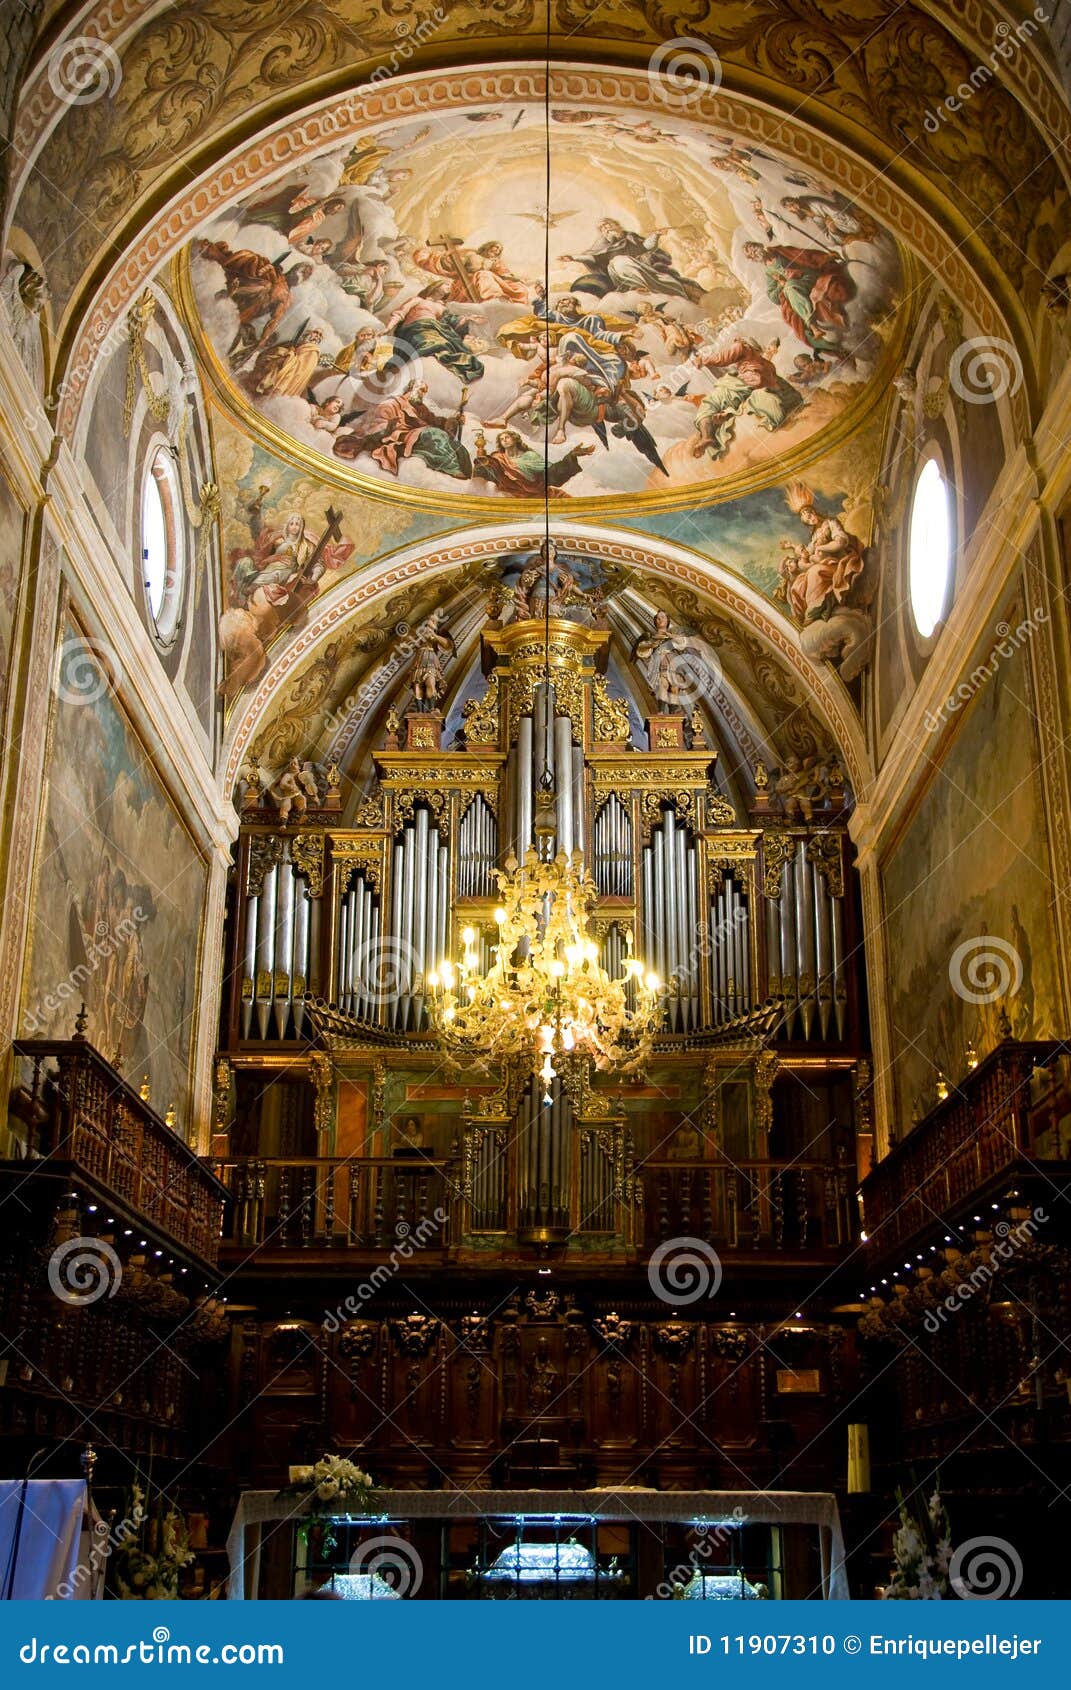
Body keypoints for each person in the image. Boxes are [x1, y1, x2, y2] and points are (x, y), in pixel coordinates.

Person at [333, 380, 472, 478]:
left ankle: (466, 473)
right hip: (399, 438)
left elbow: (435, 421)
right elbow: (377, 425)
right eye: (421, 390)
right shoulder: (391, 404)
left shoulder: (420, 408)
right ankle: (452, 469)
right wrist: (389, 428)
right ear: (411, 388)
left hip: (417, 435)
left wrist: (454, 421)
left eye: (424, 392)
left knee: (457, 446)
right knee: (433, 433)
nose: (423, 394)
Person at [561, 219, 703, 300]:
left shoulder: (630, 237)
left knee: (670, 282)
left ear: (617, 225)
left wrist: (656, 235)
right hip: (619, 273)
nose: (607, 228)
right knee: (620, 261)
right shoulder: (602, 245)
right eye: (603, 228)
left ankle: (656, 287)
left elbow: (646, 247)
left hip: (644, 268)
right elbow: (592, 257)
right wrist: (573, 257)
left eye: (608, 224)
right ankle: (636, 286)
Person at [472, 429, 594, 496]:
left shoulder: (530, 456)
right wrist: (481, 460)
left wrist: (571, 456)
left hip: (532, 494)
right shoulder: (497, 458)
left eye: (507, 437)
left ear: (515, 439)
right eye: (502, 439)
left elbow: (551, 473)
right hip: (508, 494)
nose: (504, 440)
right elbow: (488, 472)